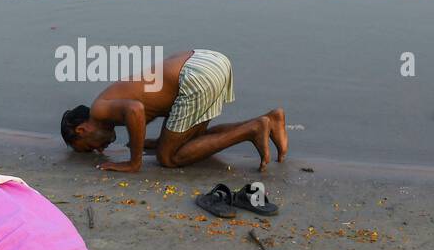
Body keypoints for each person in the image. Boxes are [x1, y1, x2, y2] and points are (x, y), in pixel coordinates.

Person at [60, 49, 287, 173]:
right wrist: (159, 140)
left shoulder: (100, 110)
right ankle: (269, 120)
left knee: (169, 157)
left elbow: (136, 110)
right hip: (209, 61)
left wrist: (133, 162)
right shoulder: (110, 104)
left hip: (194, 75)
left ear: (82, 129)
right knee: (193, 141)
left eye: (92, 146)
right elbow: (156, 103)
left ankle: (253, 130)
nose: (100, 149)